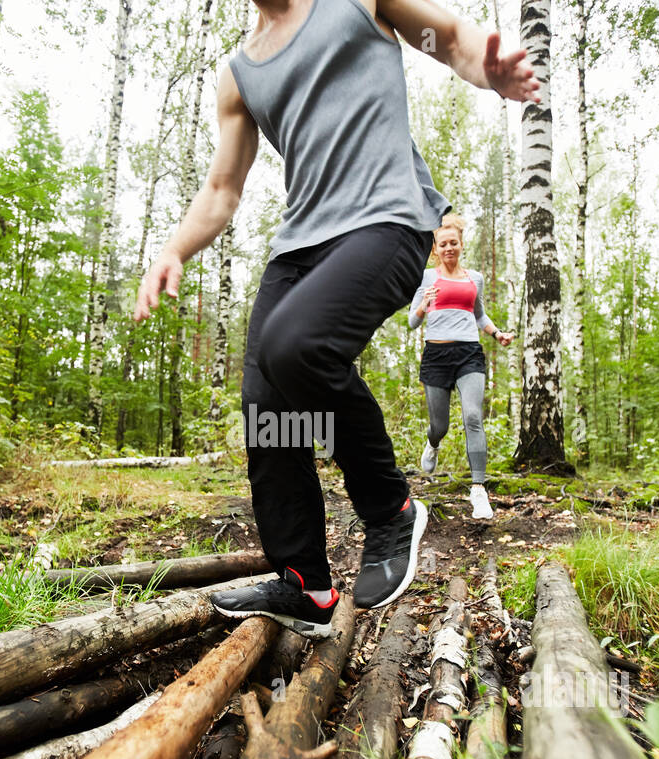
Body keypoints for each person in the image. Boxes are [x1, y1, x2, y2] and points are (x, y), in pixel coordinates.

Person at [134, 0, 539, 637]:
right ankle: (306, 583)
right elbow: (222, 188)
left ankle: (391, 507)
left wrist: (486, 69)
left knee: (294, 345)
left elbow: (451, 36)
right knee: (266, 404)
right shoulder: (238, 72)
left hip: (389, 220)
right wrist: (173, 249)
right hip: (299, 245)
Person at [409, 213, 514, 519]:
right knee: (440, 425)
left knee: (472, 416)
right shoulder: (426, 278)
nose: (449, 248)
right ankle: (433, 443)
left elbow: (479, 315)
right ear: (435, 249)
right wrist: (423, 305)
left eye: (454, 242)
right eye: (443, 244)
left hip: (469, 354)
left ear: (461, 244)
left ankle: (479, 490)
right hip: (437, 356)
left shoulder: (474, 278)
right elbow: (412, 322)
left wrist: (497, 333)